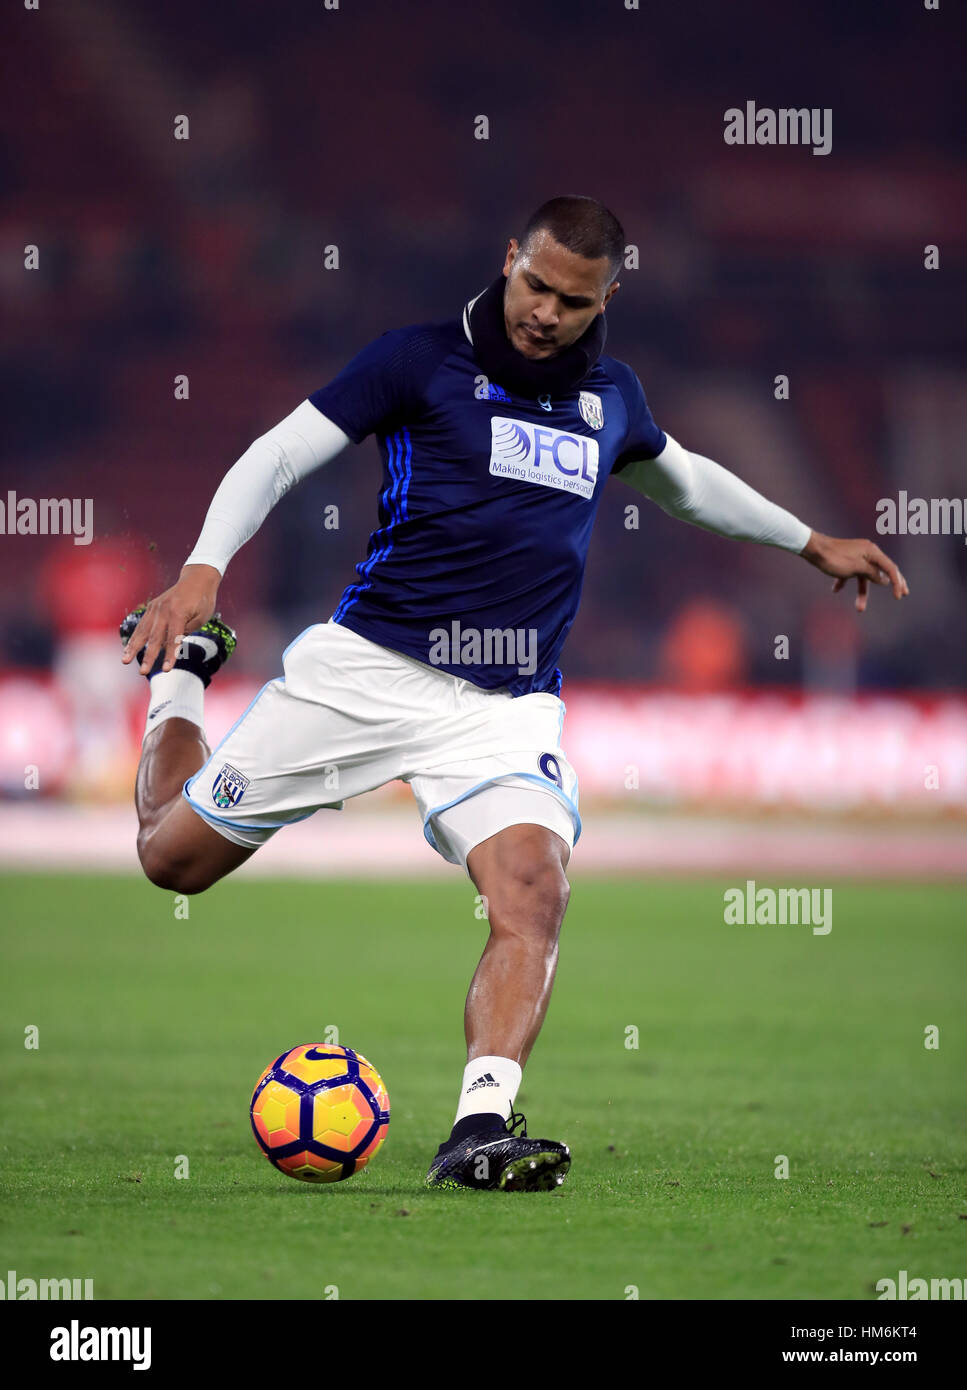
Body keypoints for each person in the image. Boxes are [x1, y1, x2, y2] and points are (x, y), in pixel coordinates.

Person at [121, 195, 908, 1191]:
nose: (544, 311)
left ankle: (477, 1127)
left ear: (605, 297)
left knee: (533, 889)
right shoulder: (415, 360)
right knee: (171, 860)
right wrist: (201, 572)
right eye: (534, 285)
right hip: (365, 671)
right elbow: (279, 453)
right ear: (508, 261)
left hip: (502, 707)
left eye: (572, 301)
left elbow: (688, 482)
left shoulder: (612, 399)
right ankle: (181, 682)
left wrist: (809, 540)